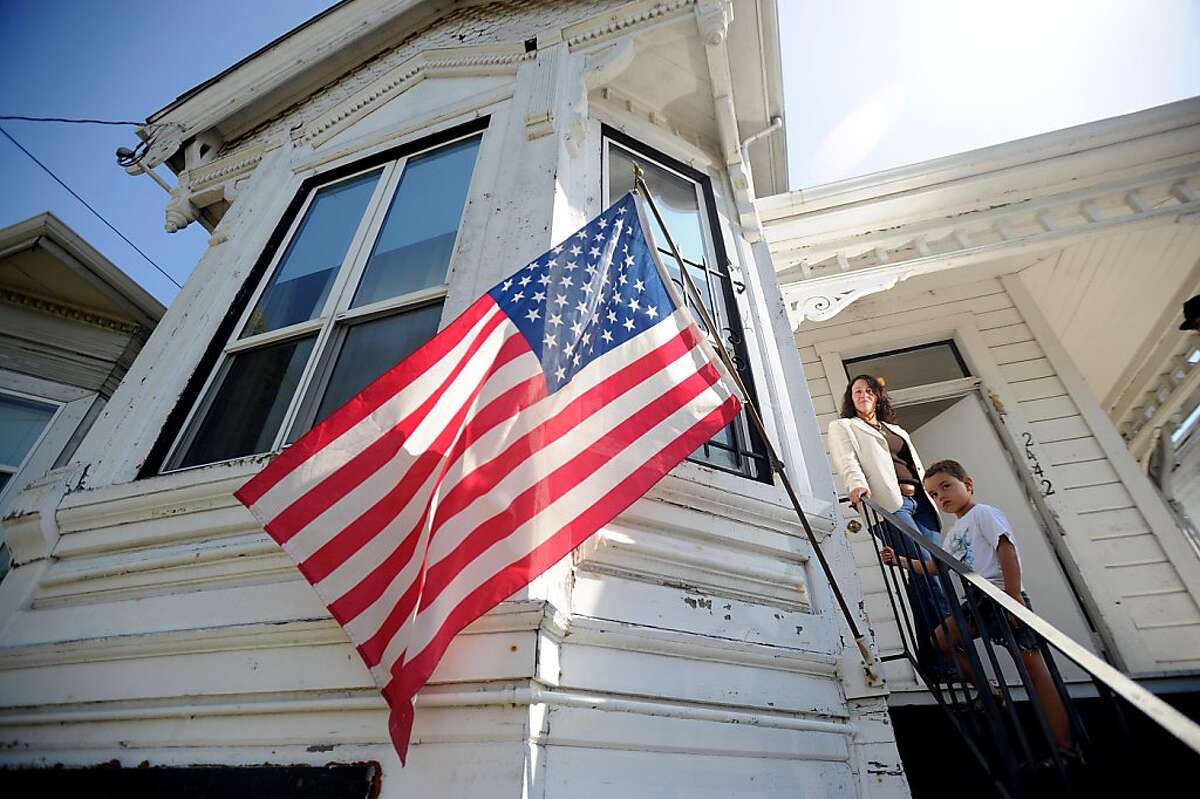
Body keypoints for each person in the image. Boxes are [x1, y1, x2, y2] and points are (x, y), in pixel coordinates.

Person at [882, 459, 1074, 756]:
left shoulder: (983, 513)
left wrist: (1013, 598)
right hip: (976, 602)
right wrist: (899, 560)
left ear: (967, 484)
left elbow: (1005, 548)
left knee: (1035, 672)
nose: (940, 496)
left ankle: (1065, 747)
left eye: (946, 486)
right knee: (942, 639)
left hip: (1001, 596)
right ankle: (990, 690)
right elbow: (935, 567)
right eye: (933, 494)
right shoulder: (954, 532)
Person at [828, 374, 949, 672]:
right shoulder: (844, 426)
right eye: (856, 391)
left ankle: (933, 657)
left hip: (920, 504)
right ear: (850, 397)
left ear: (878, 397)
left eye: (869, 391)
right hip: (889, 505)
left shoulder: (897, 430)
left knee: (930, 573)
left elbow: (913, 465)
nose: (863, 395)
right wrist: (856, 486)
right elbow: (847, 461)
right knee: (927, 571)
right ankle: (951, 650)